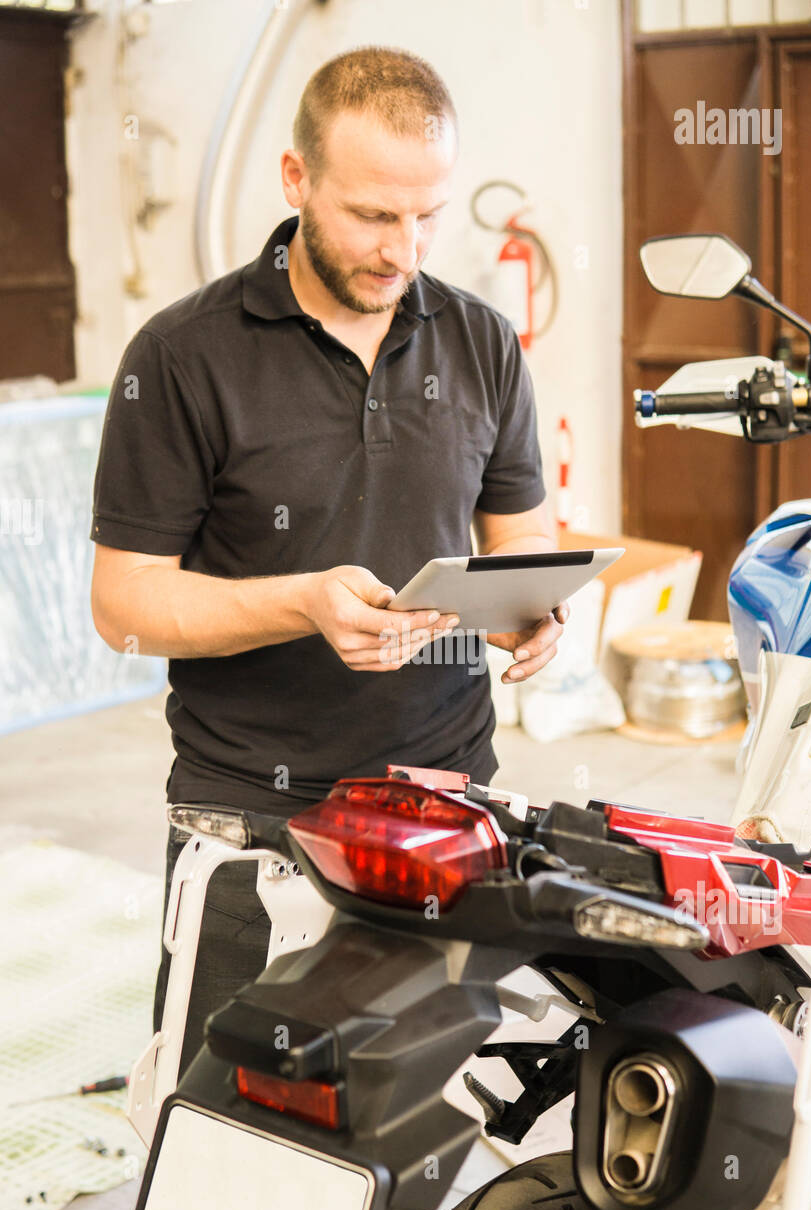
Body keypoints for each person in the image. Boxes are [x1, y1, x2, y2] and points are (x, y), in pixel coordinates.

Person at [89, 45, 568, 1082]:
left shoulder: (482, 342)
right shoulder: (181, 358)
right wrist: (304, 603)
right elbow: (123, 606)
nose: (403, 250)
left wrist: (527, 604)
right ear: (295, 180)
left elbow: (518, 532)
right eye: (370, 215)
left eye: (427, 214)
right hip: (250, 820)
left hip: (445, 803)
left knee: (407, 1124)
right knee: (224, 1130)